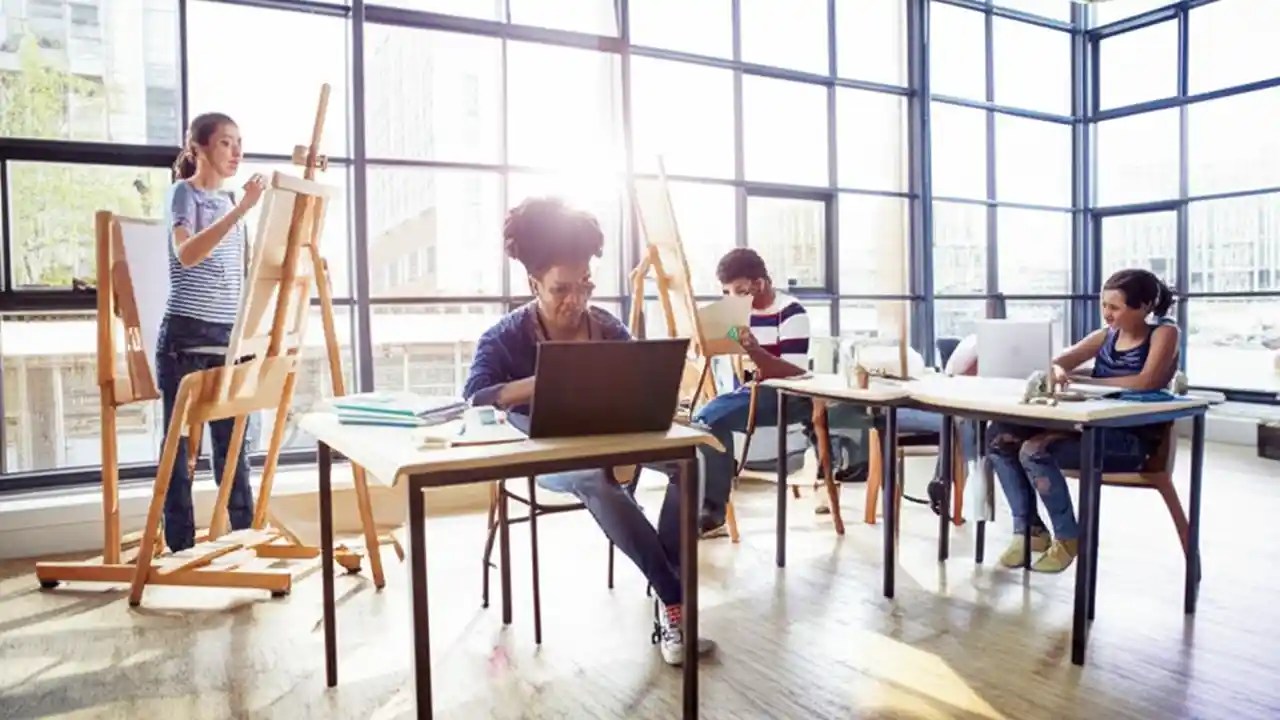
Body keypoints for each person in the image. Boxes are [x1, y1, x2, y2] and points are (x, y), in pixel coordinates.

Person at [462, 196, 712, 666]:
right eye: (560, 289)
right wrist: (543, 382)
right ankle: (676, 599)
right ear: (534, 282)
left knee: (690, 461)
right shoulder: (504, 337)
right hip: (546, 457)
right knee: (596, 475)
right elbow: (474, 395)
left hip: (612, 438)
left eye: (584, 286)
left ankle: (668, 593)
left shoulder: (606, 326)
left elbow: (641, 375)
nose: (575, 300)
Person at [989, 268, 1179, 573]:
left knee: (1035, 450)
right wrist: (1062, 371)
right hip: (1091, 429)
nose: (1107, 314)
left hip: (1133, 443)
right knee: (999, 438)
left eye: (1115, 307)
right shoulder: (1106, 335)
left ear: (1143, 306)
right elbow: (1058, 361)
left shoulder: (1164, 333)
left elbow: (1147, 382)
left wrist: (1086, 381)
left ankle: (1067, 539)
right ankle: (1029, 531)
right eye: (1104, 305)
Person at [156, 112, 267, 553]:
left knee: (233, 447)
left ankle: (244, 541)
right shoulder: (184, 195)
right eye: (226, 142)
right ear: (199, 147)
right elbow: (187, 254)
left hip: (227, 338)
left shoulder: (235, 210)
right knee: (179, 451)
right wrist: (241, 209)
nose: (236, 151)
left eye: (240, 142)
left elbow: (244, 277)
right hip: (184, 339)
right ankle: (180, 547)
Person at [694, 248, 813, 538]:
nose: (733, 298)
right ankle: (711, 495)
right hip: (753, 391)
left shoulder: (791, 311)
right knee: (703, 418)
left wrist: (754, 350)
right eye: (727, 292)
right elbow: (737, 362)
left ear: (759, 284)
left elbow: (794, 372)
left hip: (789, 394)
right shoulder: (741, 315)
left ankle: (713, 510)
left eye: (739, 291)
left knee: (708, 419)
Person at [813, 337, 982, 516]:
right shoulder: (974, 345)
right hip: (890, 411)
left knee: (959, 422)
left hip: (895, 407)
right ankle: (945, 483)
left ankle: (943, 483)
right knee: (959, 422)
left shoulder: (897, 357)